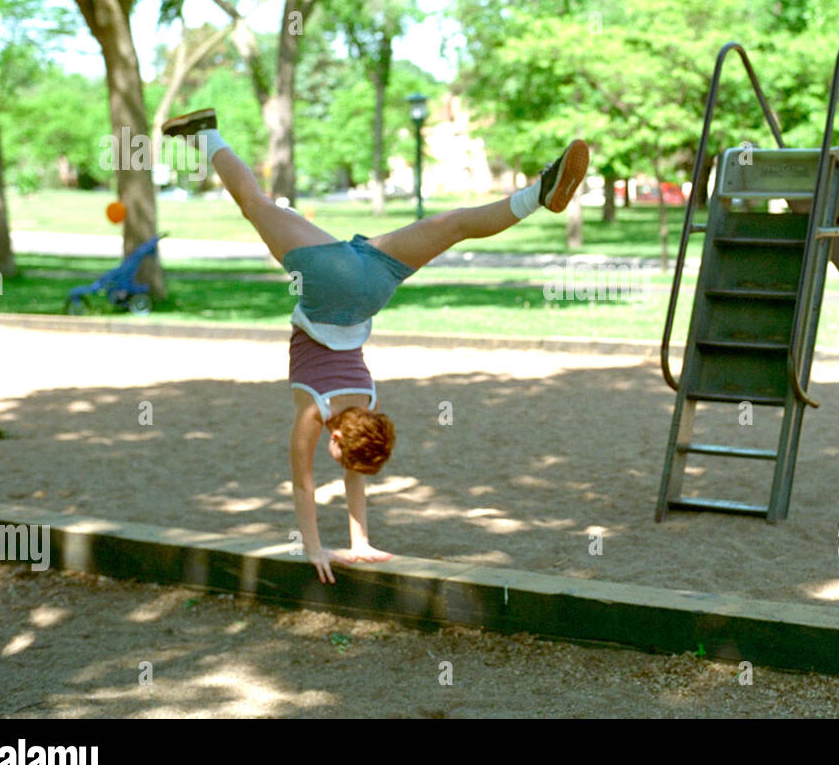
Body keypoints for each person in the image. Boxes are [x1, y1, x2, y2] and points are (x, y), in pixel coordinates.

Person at [162, 108, 589, 584]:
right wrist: (315, 548)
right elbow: (303, 485)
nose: (342, 465)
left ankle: (536, 194)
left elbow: (354, 473)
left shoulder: (368, 402)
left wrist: (359, 543)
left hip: (373, 282)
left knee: (454, 226)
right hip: (331, 283)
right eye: (343, 456)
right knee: (255, 204)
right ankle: (206, 134)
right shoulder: (314, 413)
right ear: (340, 438)